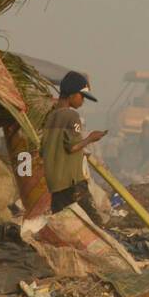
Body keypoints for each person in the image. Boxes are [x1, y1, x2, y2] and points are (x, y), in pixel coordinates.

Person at [40, 70, 106, 222]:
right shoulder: (71, 116)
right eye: (82, 97)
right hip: (72, 183)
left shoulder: (51, 117)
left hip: (55, 184)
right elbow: (72, 147)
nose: (83, 101)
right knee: (93, 221)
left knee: (65, 223)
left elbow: (46, 150)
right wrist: (91, 138)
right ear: (72, 95)